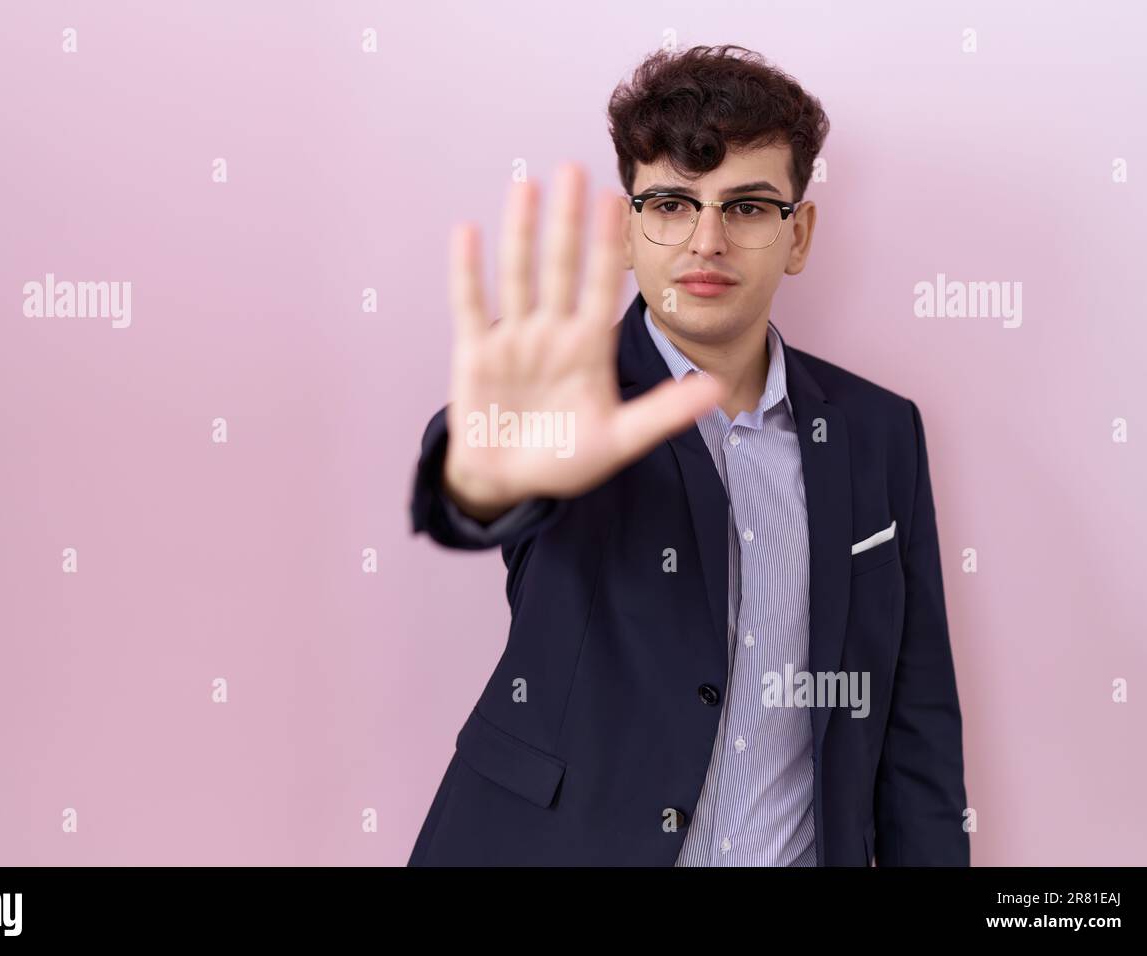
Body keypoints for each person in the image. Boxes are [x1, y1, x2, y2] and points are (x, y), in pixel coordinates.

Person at [407, 44, 969, 866]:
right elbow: (476, 482)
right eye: (671, 203)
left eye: (746, 207)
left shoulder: (880, 431)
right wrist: (489, 464)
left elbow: (917, 726)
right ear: (629, 228)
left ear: (799, 232)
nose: (707, 240)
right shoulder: (571, 401)